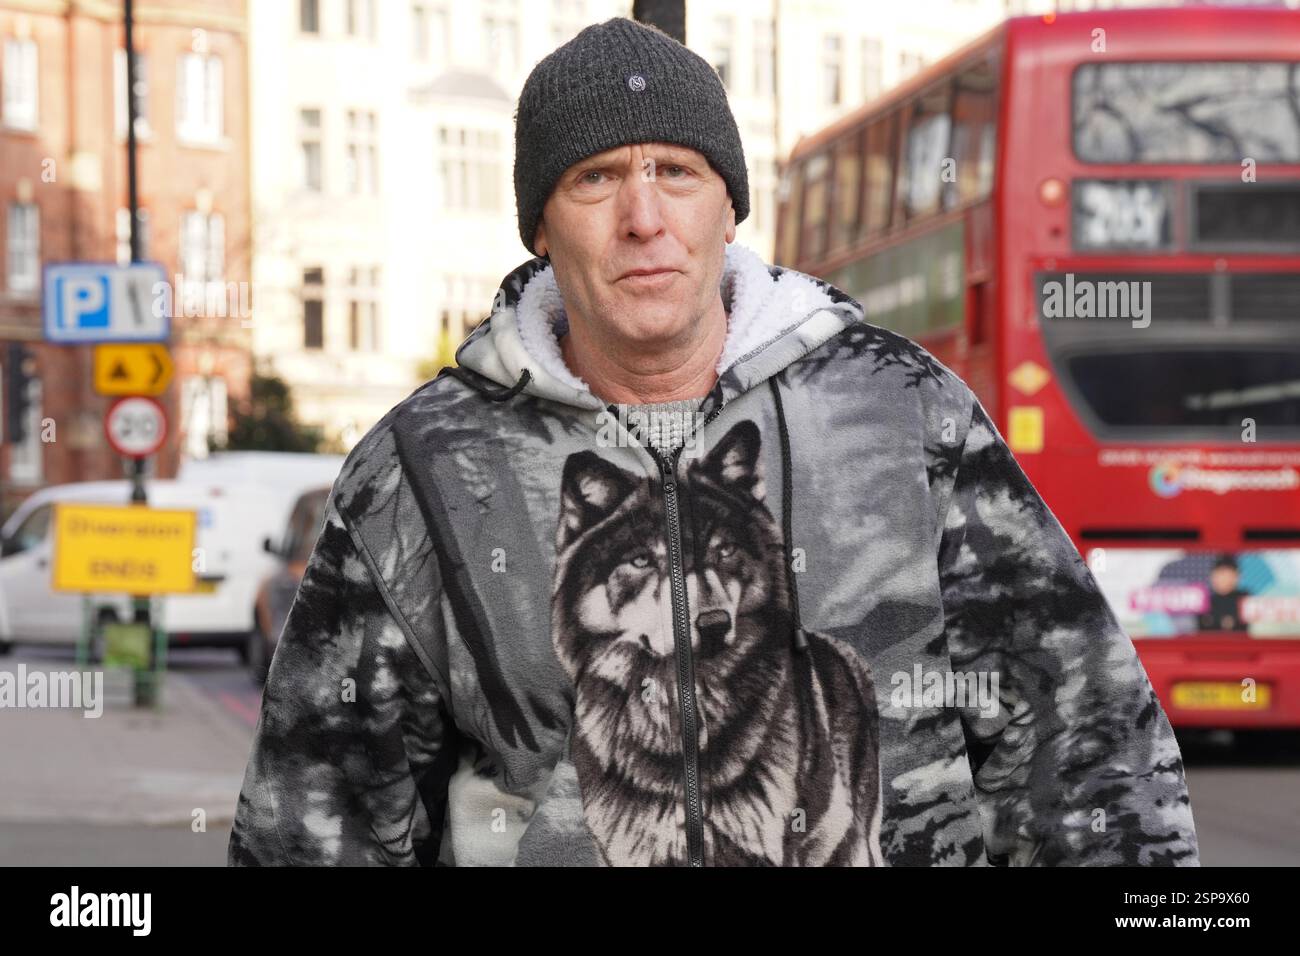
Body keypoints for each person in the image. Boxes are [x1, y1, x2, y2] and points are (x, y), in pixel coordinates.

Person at [228, 16, 1198, 867]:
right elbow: (323, 808)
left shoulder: (904, 410)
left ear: (728, 205)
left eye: (676, 174)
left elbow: (1083, 733)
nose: (642, 218)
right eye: (594, 178)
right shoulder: (423, 467)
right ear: (538, 226)